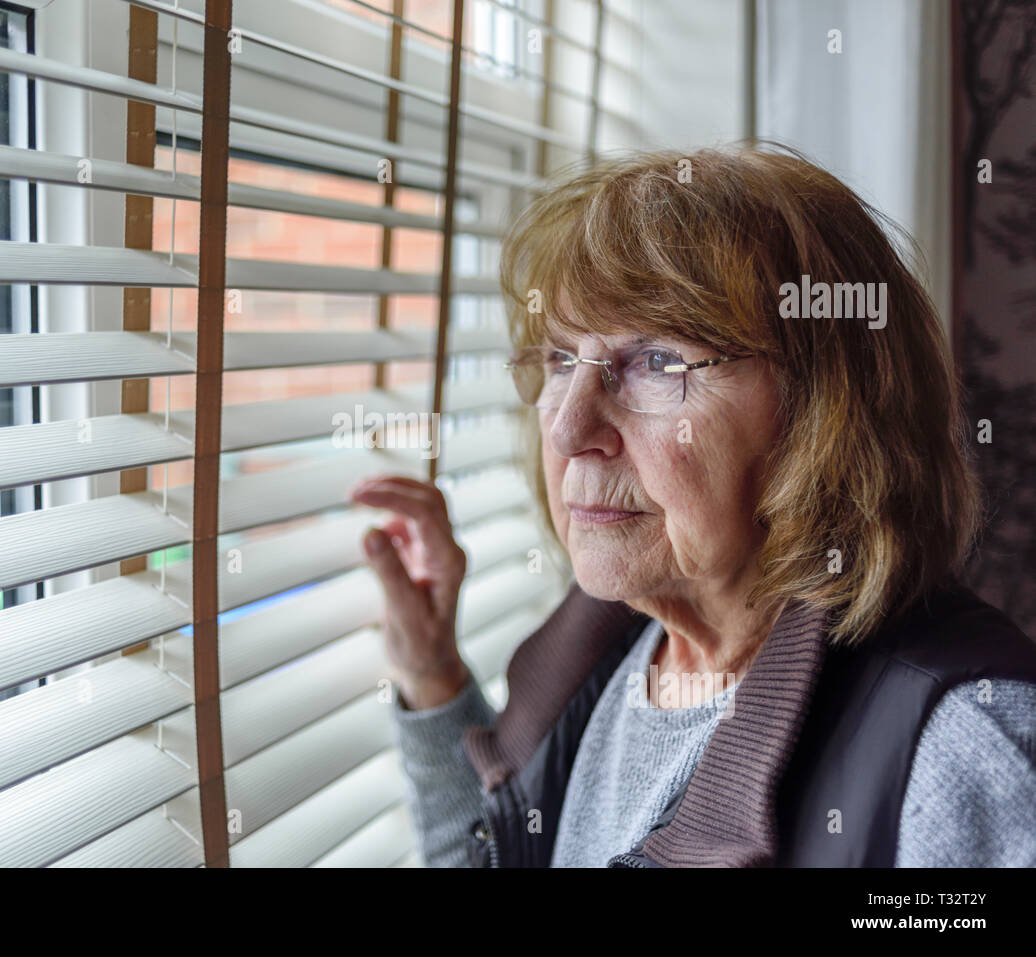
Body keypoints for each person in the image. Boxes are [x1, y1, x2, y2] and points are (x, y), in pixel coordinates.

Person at [349, 145, 1036, 867]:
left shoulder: (964, 752)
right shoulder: (600, 648)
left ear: (826, 414)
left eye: (657, 361)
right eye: (559, 360)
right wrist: (431, 677)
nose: (567, 428)